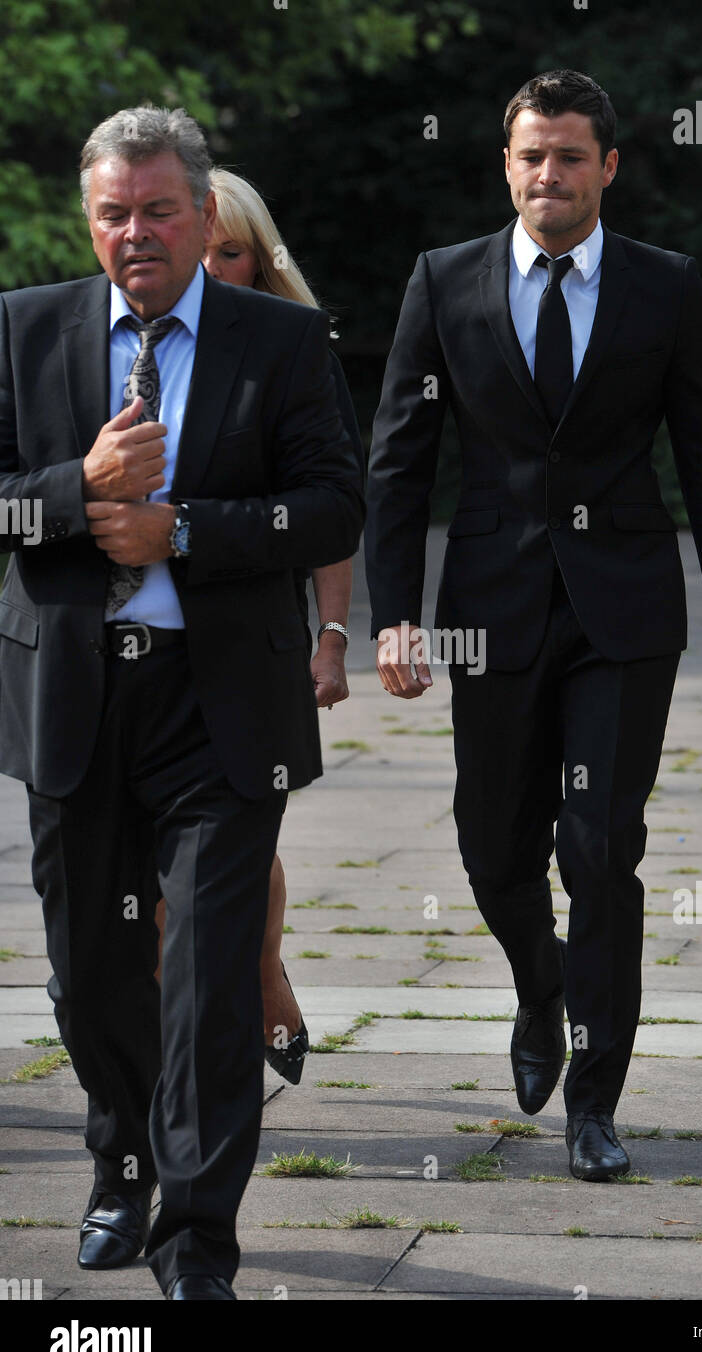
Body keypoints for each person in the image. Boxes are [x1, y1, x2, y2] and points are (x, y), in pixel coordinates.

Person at [365, 70, 702, 1182]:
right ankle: (540, 988)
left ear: (609, 168)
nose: (551, 174)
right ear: (506, 164)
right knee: (493, 846)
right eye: (532, 155)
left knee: (599, 849)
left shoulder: (664, 286)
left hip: (623, 613)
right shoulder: (444, 282)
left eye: (572, 156)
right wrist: (391, 615)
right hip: (488, 614)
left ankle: (594, 1103)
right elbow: (400, 460)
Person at [0, 105, 364, 1297]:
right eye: (115, 213)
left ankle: (196, 1240)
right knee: (90, 975)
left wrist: (187, 531)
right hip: (74, 699)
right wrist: (74, 489)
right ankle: (124, 1153)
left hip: (220, 713)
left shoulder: (281, 341)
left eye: (161, 210)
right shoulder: (24, 330)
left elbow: (330, 507)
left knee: (211, 980)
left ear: (205, 215)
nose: (138, 233)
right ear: (88, 219)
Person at [150, 168, 364, 1085]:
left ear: (256, 260)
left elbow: (331, 508)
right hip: (126, 650)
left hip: (248, 643)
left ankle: (261, 969)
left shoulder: (290, 353)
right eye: (200, 242)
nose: (206, 262)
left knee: (240, 843)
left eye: (228, 249)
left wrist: (334, 633)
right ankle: (181, 1025)